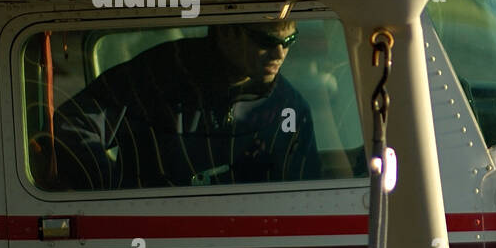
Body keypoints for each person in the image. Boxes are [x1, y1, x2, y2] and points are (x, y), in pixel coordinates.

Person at [46, 18, 320, 190]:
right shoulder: (155, 75)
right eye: (266, 40)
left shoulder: (291, 107)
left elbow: (304, 192)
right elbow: (73, 124)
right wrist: (113, 195)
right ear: (226, 29)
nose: (280, 52)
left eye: (290, 40)